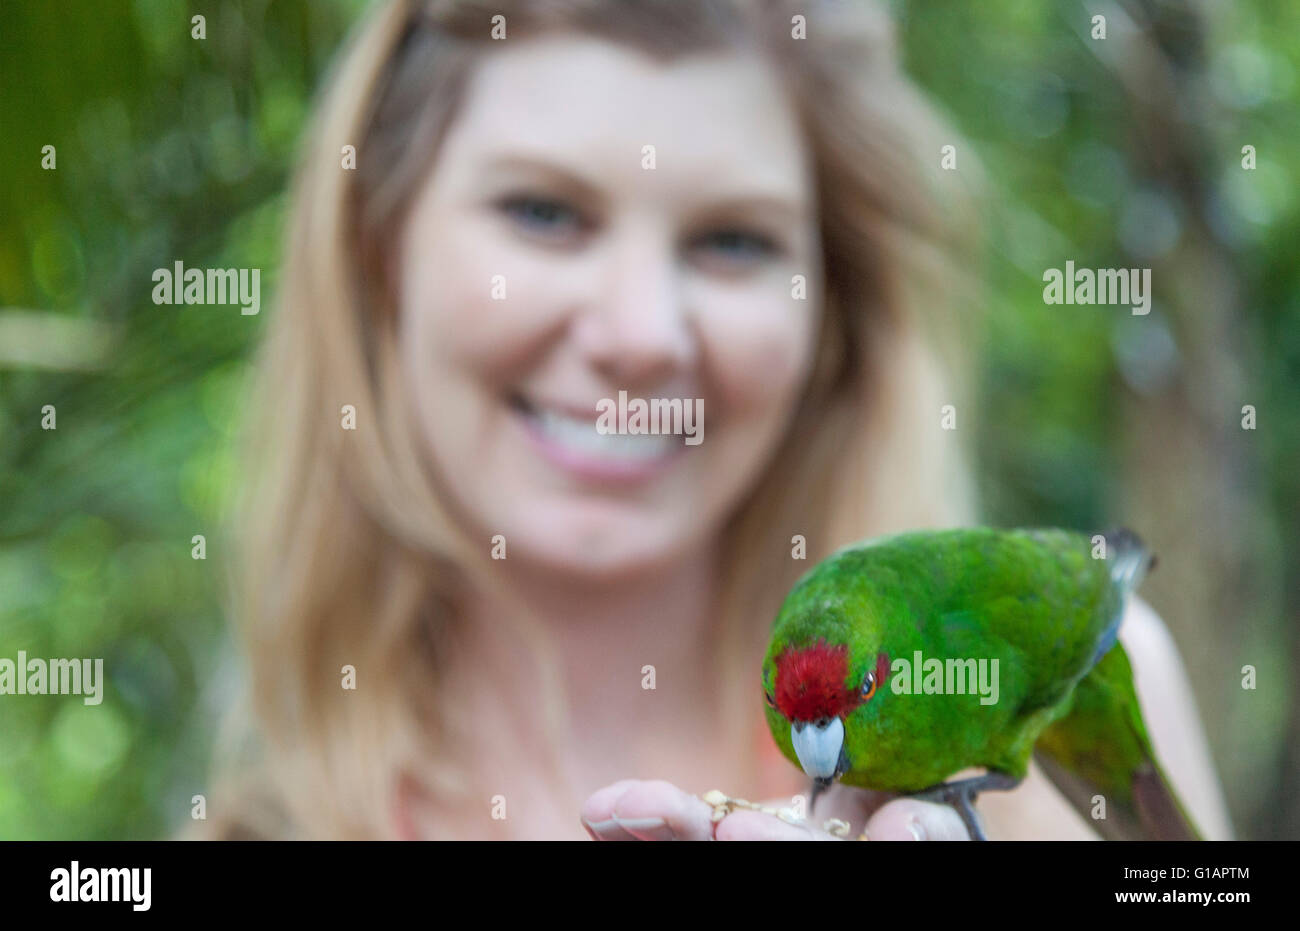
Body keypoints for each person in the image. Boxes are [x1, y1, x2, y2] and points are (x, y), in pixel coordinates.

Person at [197, 0, 1232, 841]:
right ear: (382, 252)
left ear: (837, 304)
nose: (640, 334)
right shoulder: (258, 809)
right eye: (544, 212)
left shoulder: (1086, 681)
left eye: (733, 241)